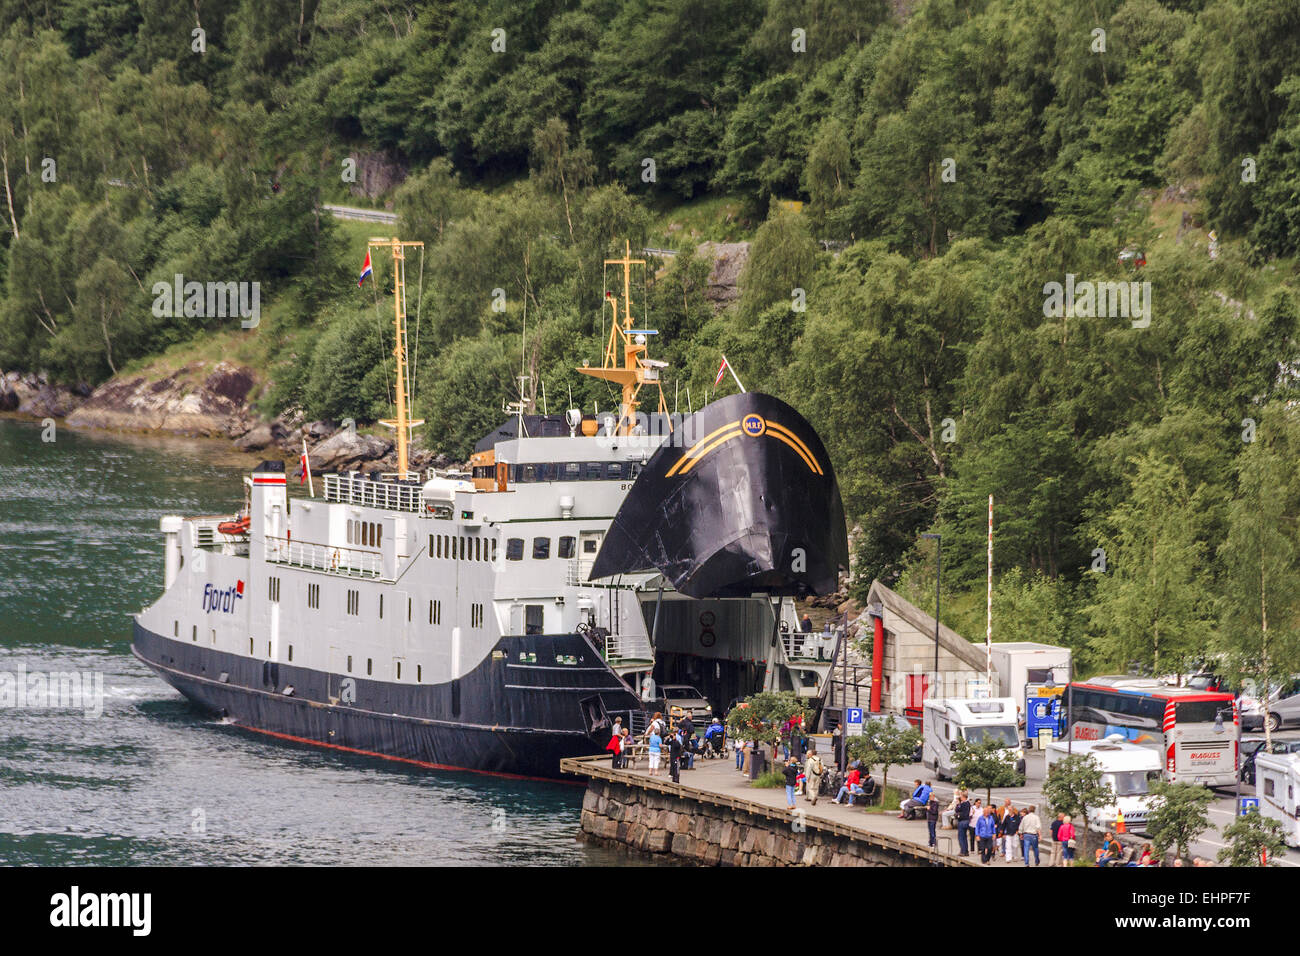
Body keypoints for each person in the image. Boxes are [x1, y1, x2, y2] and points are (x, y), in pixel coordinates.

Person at [955, 792, 973, 856]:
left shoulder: (963, 804)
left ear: (963, 797)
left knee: (961, 837)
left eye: (961, 796)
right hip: (967, 821)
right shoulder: (968, 803)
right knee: (964, 837)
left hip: (962, 821)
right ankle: (966, 851)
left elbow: (957, 811)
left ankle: (963, 851)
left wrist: (958, 815)